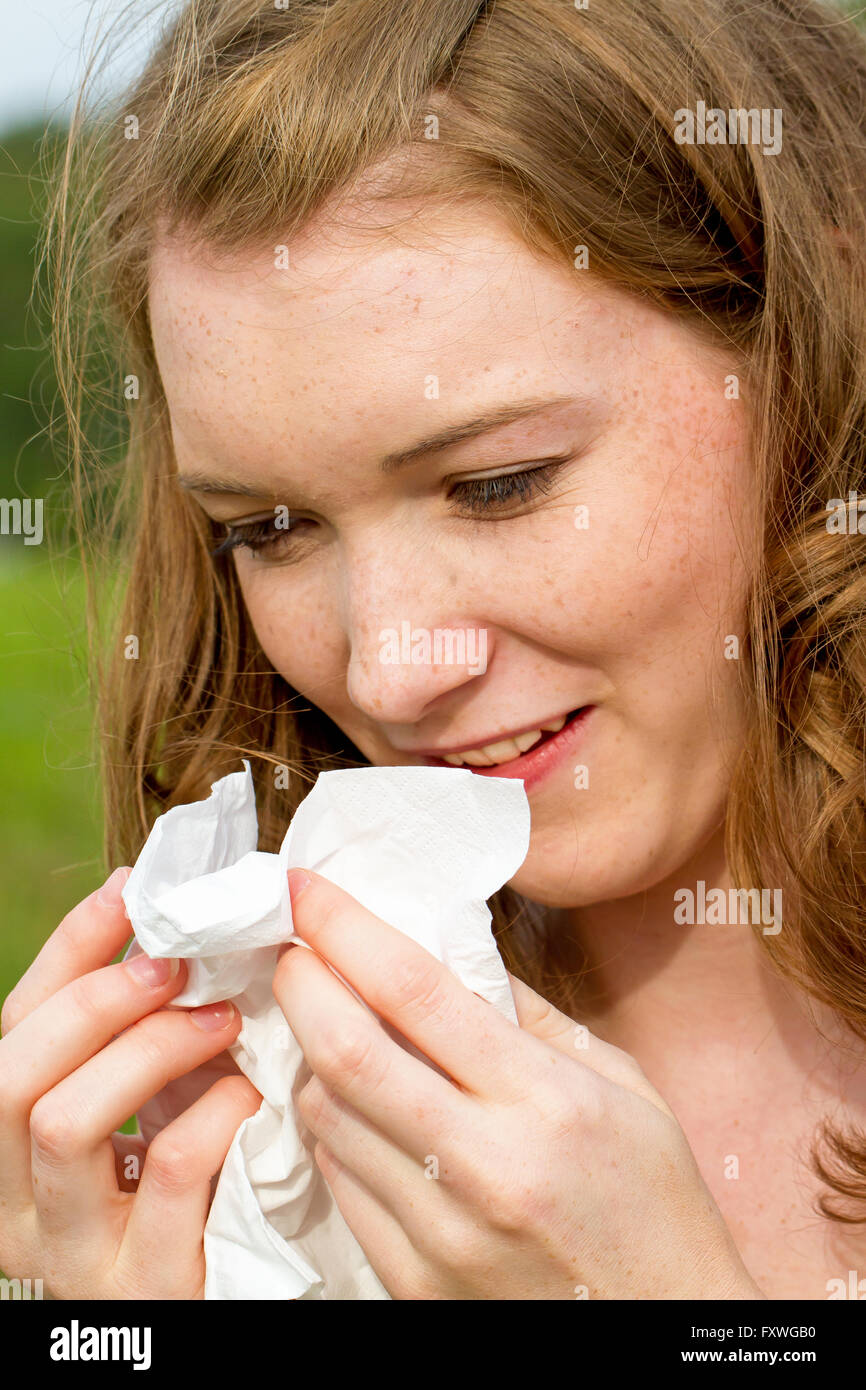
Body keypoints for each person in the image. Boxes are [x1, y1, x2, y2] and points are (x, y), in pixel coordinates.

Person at [2, 0, 865, 1299]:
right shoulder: (240, 1115)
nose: (388, 670)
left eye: (499, 482)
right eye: (272, 527)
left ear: (810, 344)